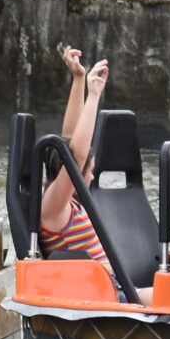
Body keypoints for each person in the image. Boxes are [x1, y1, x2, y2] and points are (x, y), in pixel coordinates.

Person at [39, 47, 113, 261]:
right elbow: (76, 156)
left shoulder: (68, 201)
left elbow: (70, 140)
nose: (91, 177)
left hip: (113, 285)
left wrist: (79, 78)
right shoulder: (53, 206)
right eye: (88, 172)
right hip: (99, 291)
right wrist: (94, 96)